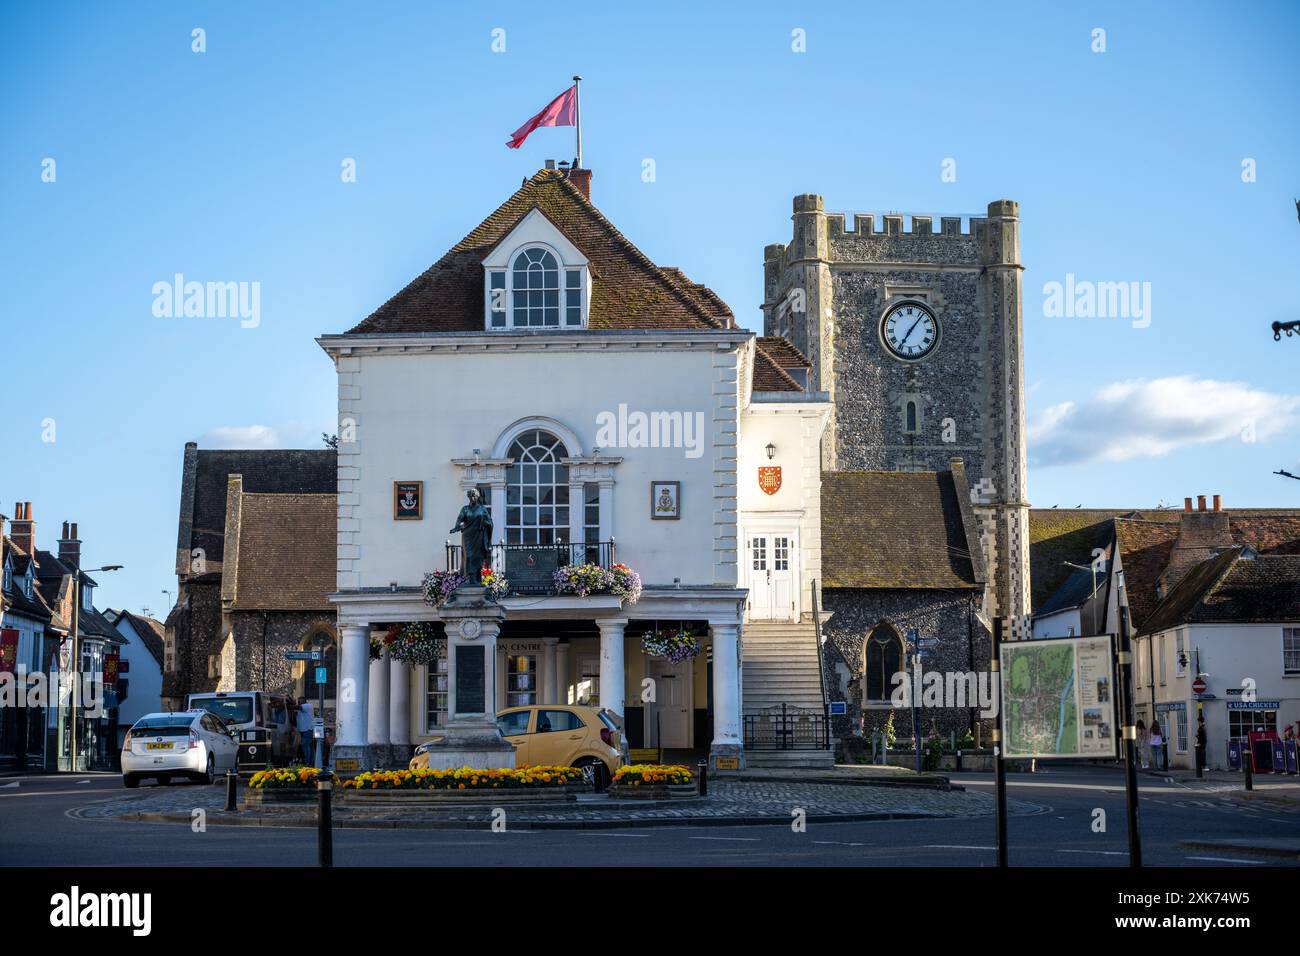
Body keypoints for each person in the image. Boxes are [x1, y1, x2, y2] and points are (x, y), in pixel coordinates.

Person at [296, 697, 317, 766]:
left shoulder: (307, 706)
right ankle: (312, 762)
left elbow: (297, 707)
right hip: (304, 730)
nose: (298, 703)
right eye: (298, 701)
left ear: (304, 701)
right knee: (309, 747)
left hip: (308, 730)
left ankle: (307, 762)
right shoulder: (302, 708)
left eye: (299, 701)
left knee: (305, 745)